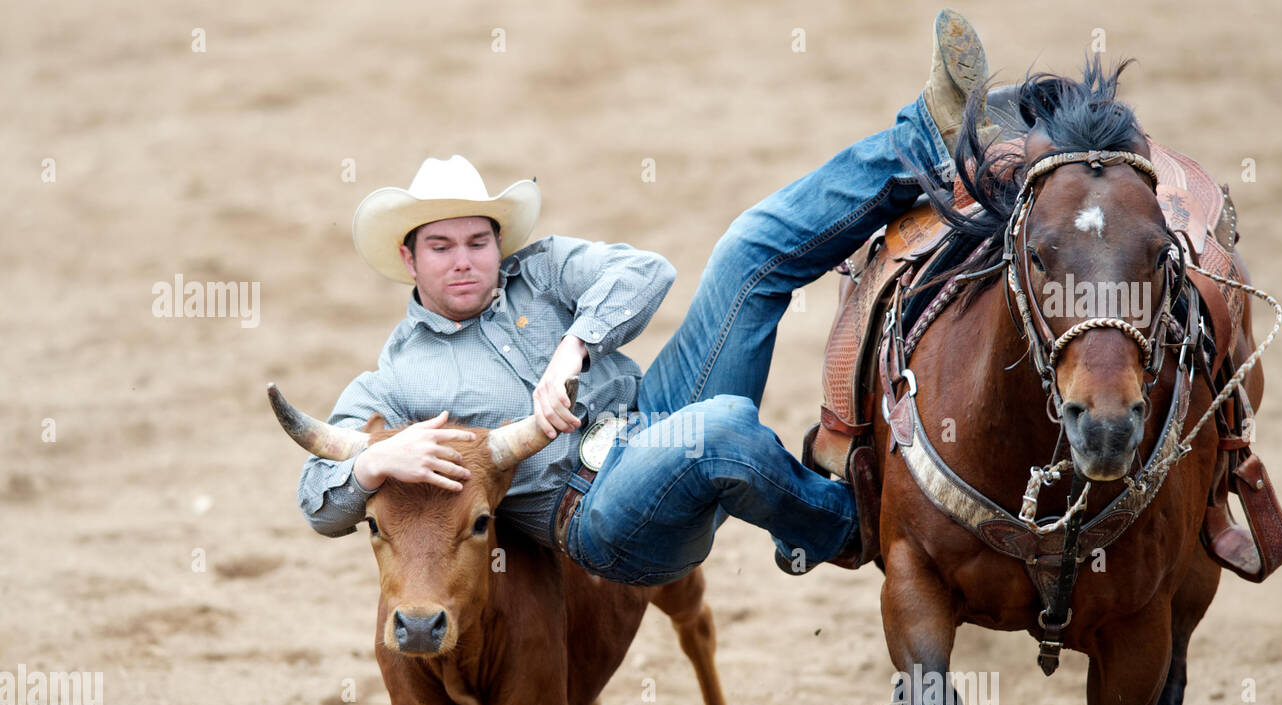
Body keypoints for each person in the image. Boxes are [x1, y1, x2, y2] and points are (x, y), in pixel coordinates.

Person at [298, 10, 992, 584]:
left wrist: (573, 346)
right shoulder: (397, 375)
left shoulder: (535, 271)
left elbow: (648, 271)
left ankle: (928, 140)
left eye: (477, 241)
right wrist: (370, 462)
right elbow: (316, 497)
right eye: (441, 247)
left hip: (653, 411)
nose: (464, 261)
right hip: (602, 516)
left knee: (745, 251)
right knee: (718, 427)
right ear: (408, 257)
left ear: (496, 240)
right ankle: (841, 526)